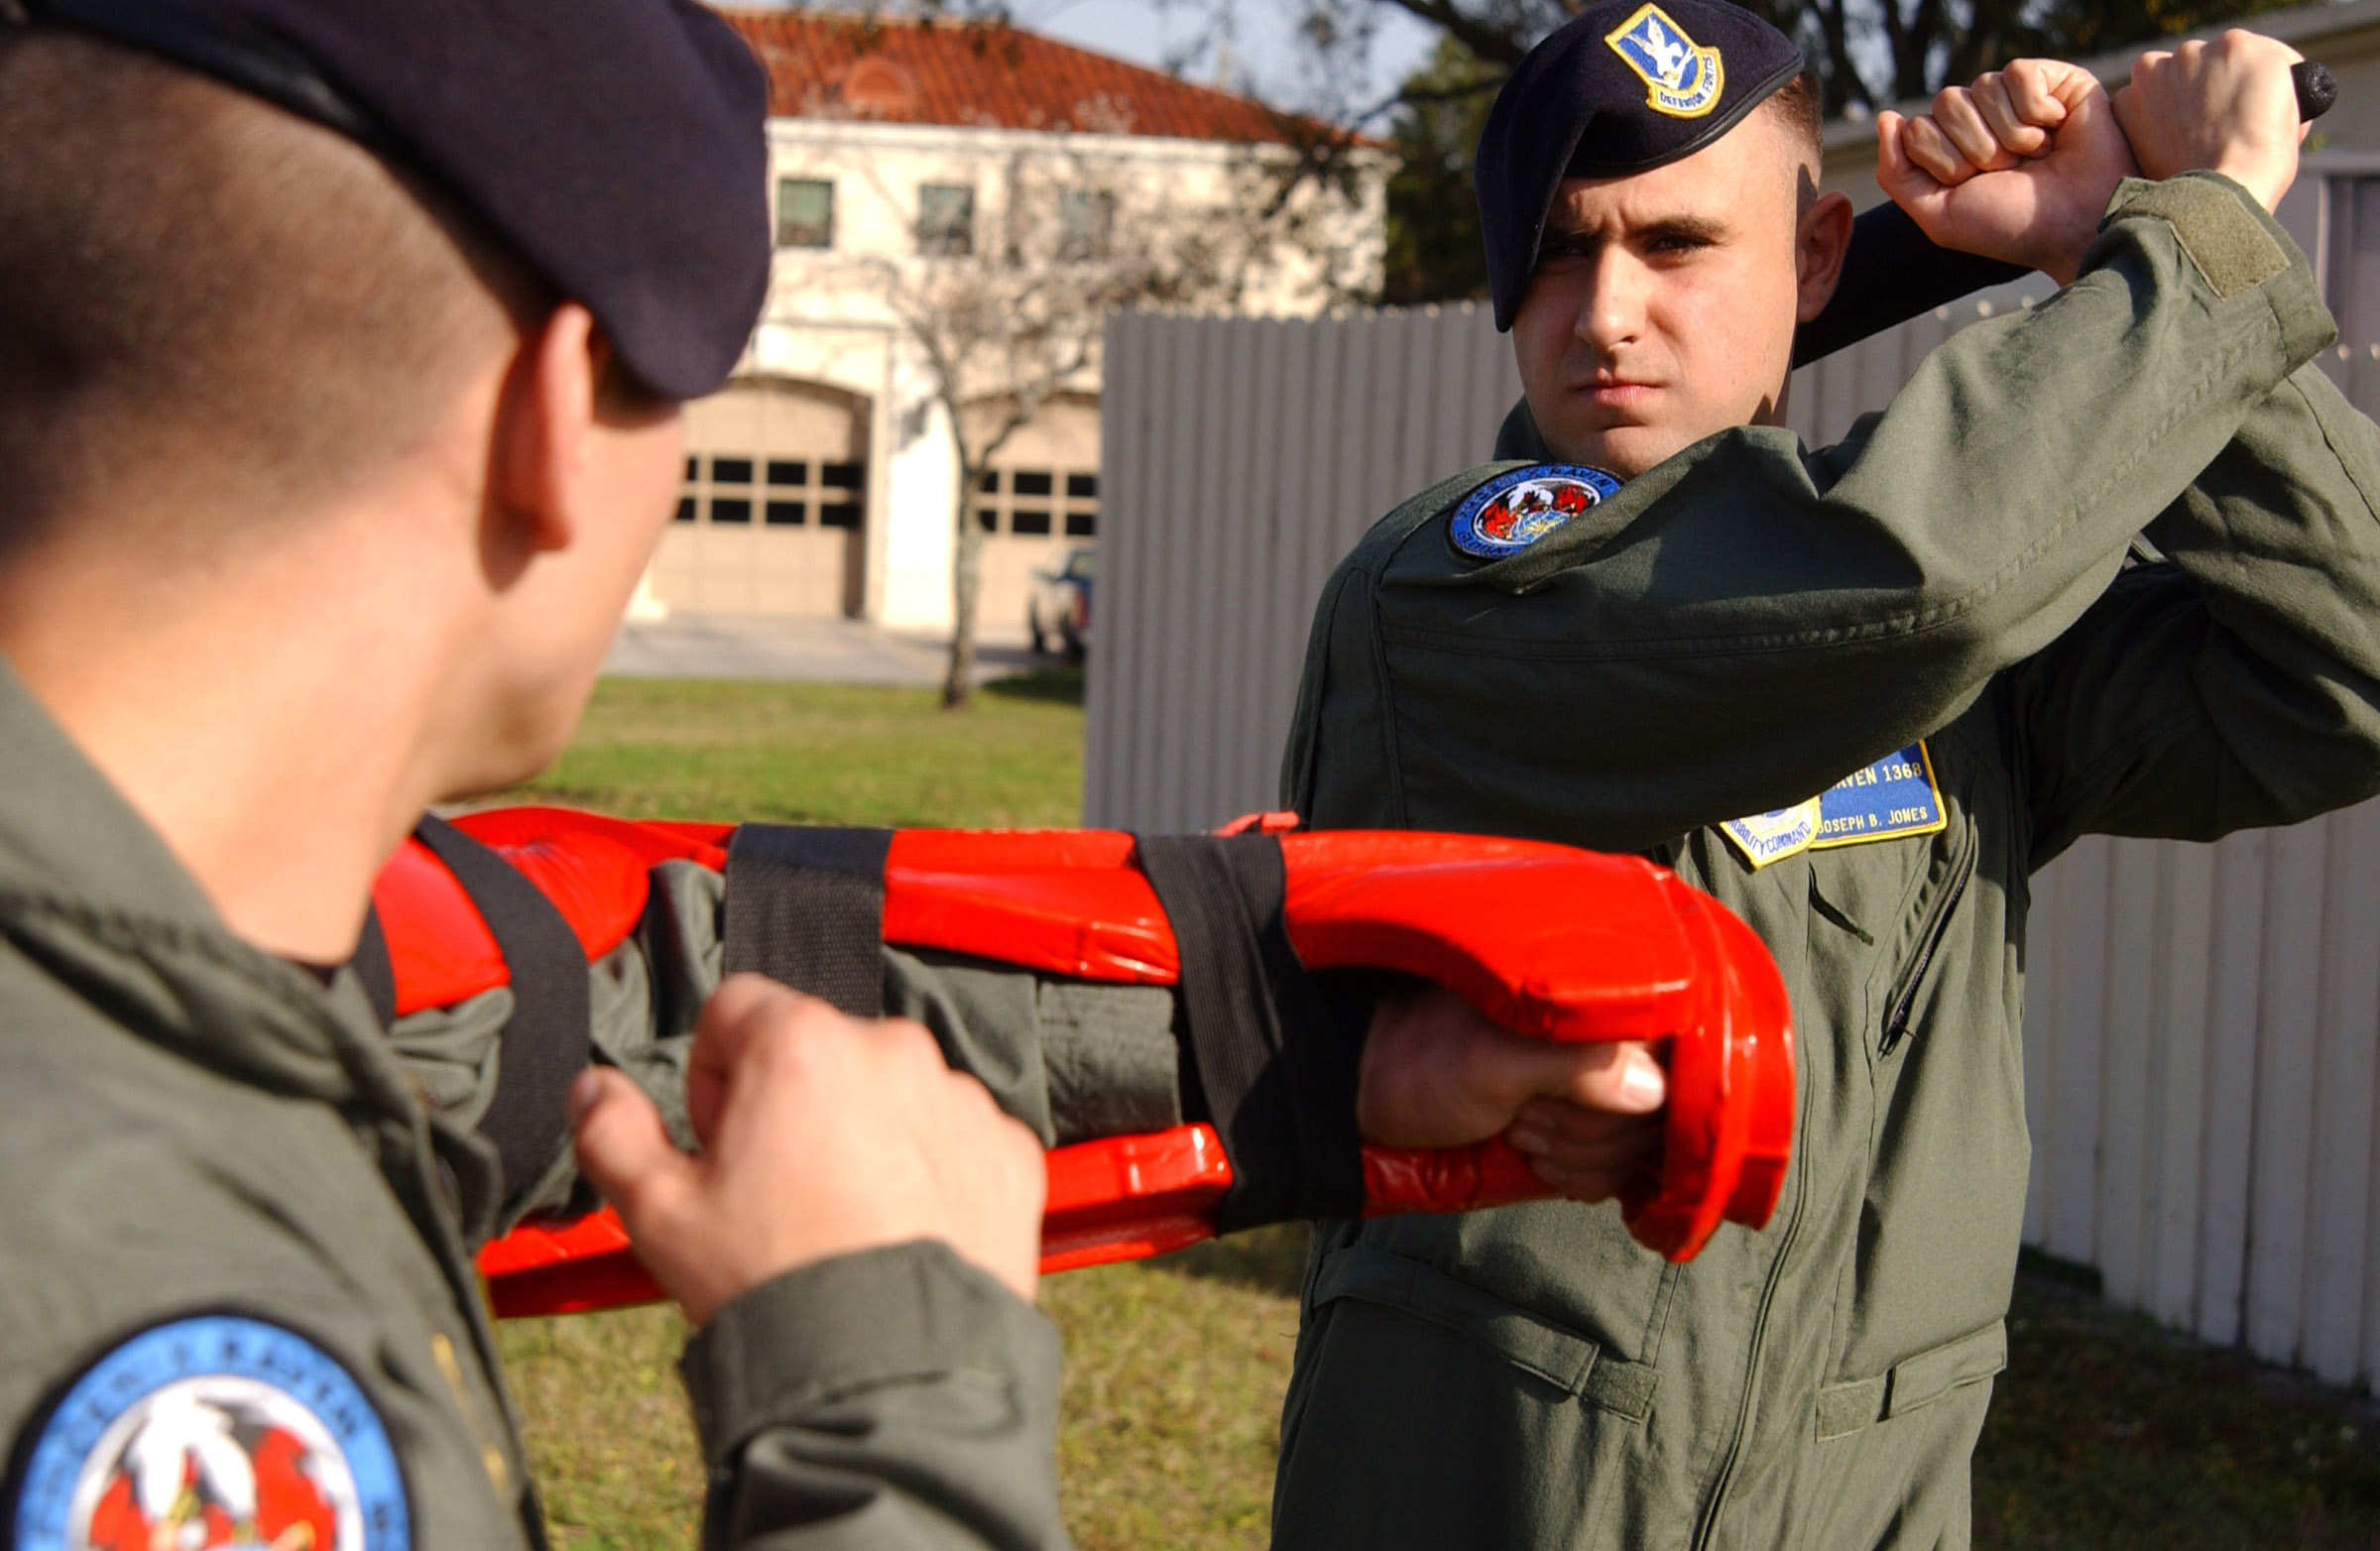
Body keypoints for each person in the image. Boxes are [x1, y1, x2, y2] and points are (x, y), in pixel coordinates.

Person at [0, 4, 1669, 1550]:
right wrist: (886, 1390)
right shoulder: (145, 1349)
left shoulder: (179, 933)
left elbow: (565, 1011)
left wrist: (1299, 1048)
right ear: (554, 424)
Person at [1274, 4, 2380, 1546]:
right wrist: (2195, 230)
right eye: (1557, 250)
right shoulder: (1450, 595)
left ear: (1813, 261)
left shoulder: (1931, 644)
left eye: (1673, 245)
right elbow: (1929, 577)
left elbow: (2354, 669)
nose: (1604, 311)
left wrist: (2094, 241)